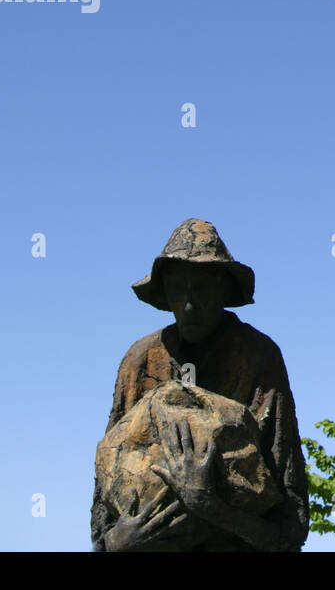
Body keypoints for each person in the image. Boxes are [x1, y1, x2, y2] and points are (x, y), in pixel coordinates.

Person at [91, 218, 309, 551]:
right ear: (165, 292)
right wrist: (113, 542)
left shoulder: (258, 358)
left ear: (223, 289)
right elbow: (105, 492)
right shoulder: (141, 361)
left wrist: (213, 509)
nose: (190, 305)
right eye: (179, 288)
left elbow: (290, 526)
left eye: (203, 288)